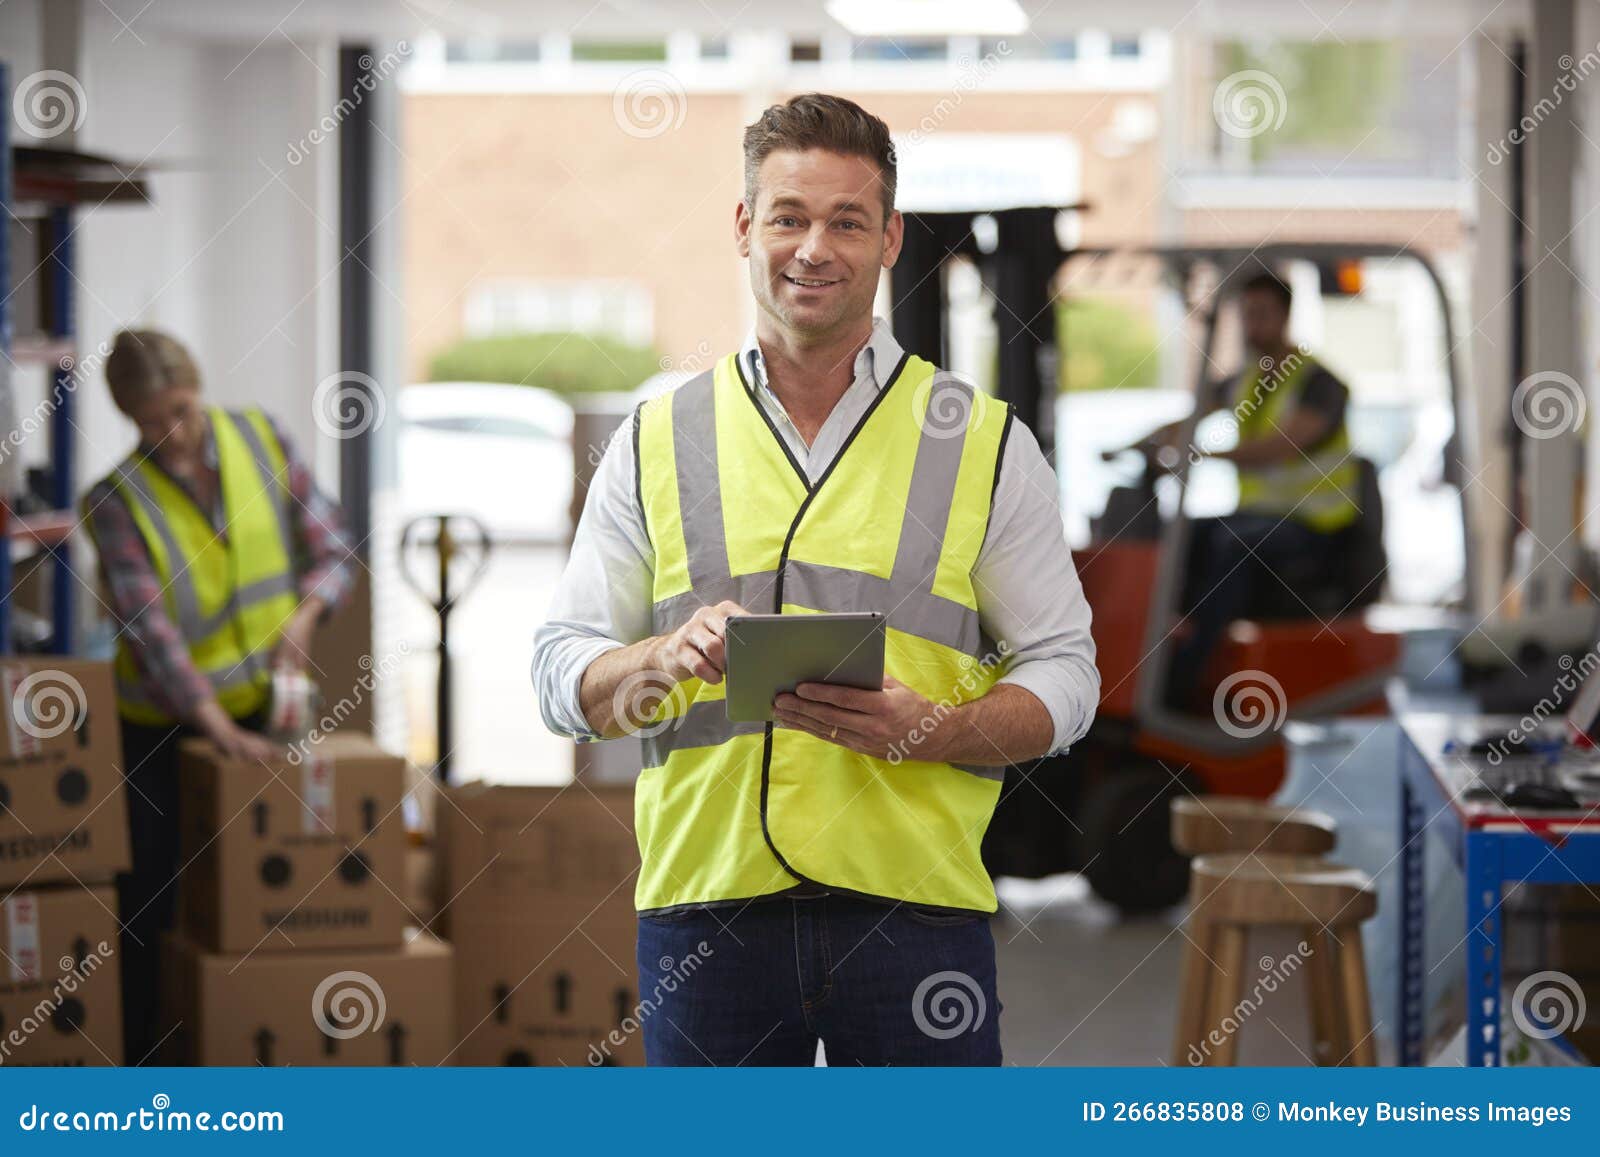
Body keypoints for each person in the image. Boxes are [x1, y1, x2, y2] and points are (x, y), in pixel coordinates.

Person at [532, 94, 1099, 1066]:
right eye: (789, 216)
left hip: (915, 910)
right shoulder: (656, 440)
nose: (813, 247)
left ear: (888, 240)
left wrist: (944, 727)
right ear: (744, 227)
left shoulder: (986, 443)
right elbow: (559, 679)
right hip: (706, 912)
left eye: (846, 220)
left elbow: (1069, 674)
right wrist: (663, 659)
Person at [81, 329, 354, 1063]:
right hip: (164, 728)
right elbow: (151, 631)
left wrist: (305, 615)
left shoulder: (260, 439)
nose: (169, 433)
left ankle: (263, 1046)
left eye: (179, 409)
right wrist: (210, 726)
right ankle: (144, 1066)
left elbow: (334, 546)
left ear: (198, 387)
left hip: (265, 710)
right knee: (152, 903)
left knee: (270, 887)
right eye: (147, 421)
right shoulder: (114, 500)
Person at [1130, 270, 1358, 708]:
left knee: (1232, 544)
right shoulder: (1246, 380)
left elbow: (1278, 447)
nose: (1253, 325)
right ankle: (1171, 649)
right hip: (1262, 518)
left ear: (1286, 315)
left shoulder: (1319, 384)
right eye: (1246, 315)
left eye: (1262, 314)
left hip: (1318, 528)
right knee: (1181, 534)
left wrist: (1199, 455)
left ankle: (1186, 678)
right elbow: (1192, 415)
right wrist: (1143, 442)